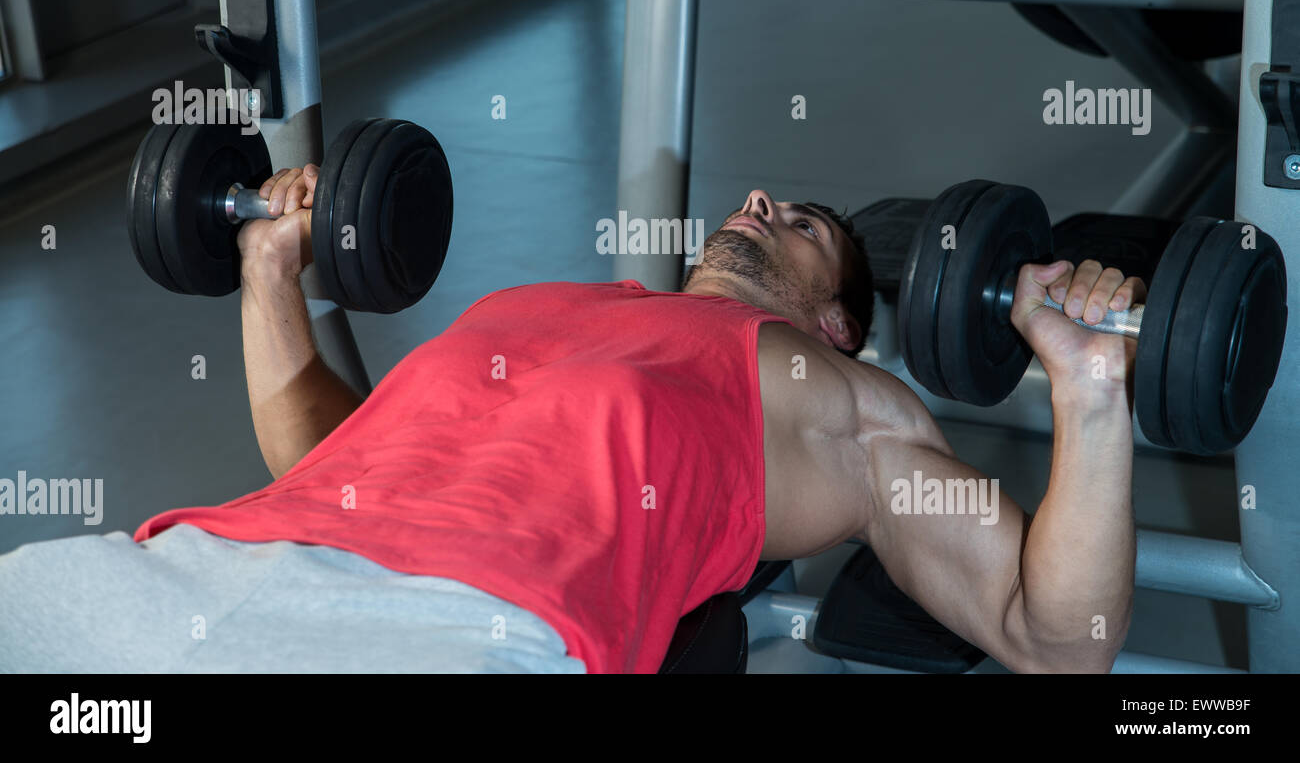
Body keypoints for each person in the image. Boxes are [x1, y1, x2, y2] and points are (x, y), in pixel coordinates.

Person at [0, 164, 1140, 674]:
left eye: (797, 225)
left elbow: (1052, 639)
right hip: (186, 570)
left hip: (443, 641)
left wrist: (1088, 391)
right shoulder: (535, 302)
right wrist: (266, 272)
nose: (757, 204)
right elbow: (322, 461)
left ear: (837, 321)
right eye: (762, 198)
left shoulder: (834, 396)